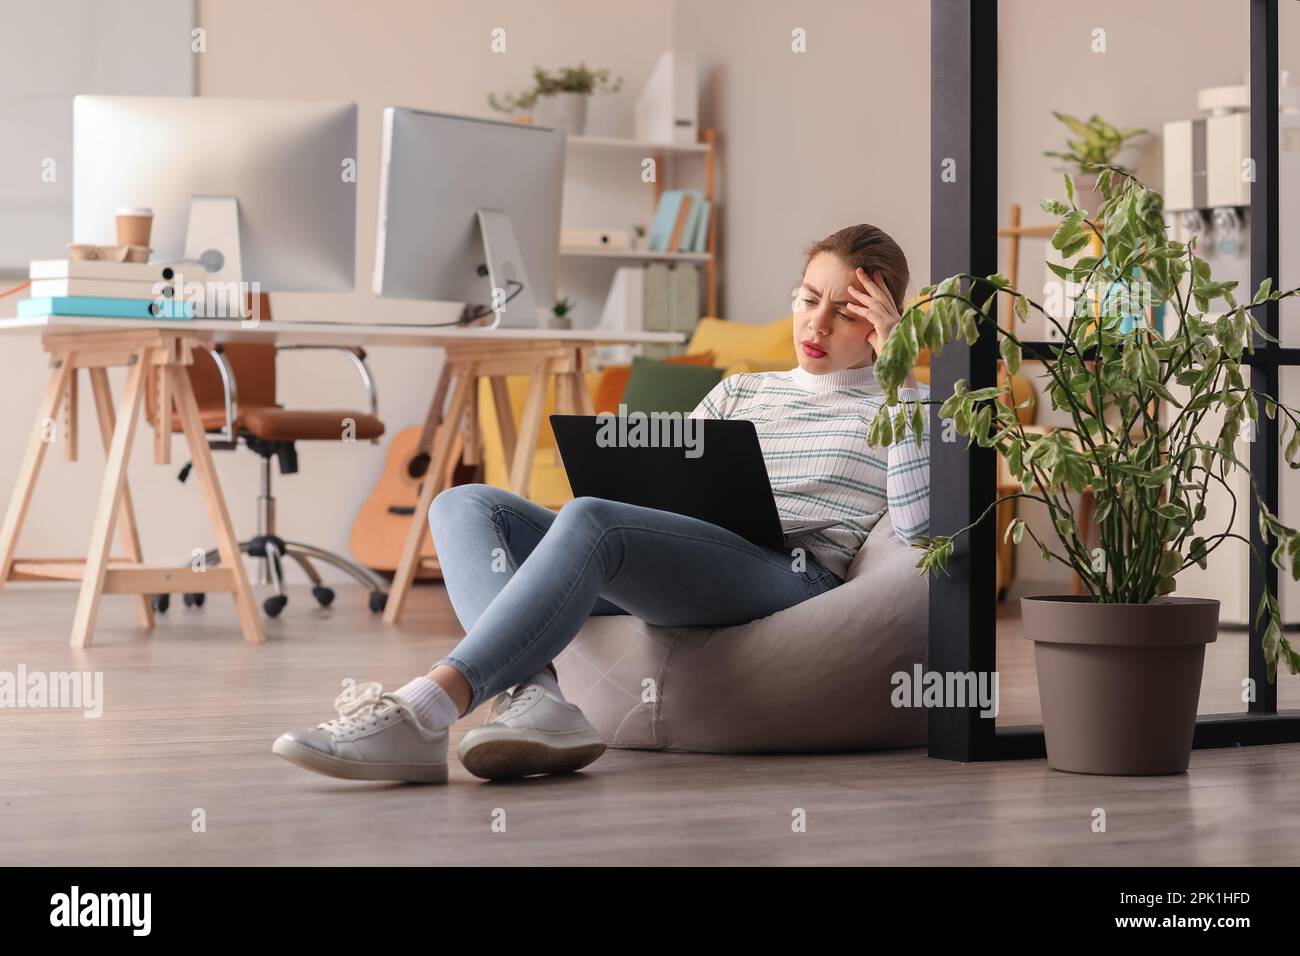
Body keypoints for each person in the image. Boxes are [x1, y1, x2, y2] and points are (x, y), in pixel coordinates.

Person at [272, 223, 931, 784]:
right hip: (690, 557)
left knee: (592, 520)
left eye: (845, 312)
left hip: (785, 574)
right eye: (809, 298)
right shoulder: (743, 392)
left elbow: (921, 525)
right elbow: (668, 478)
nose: (815, 324)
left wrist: (901, 373)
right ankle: (538, 700)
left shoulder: (905, 405)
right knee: (463, 505)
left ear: (879, 325)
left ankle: (426, 711)